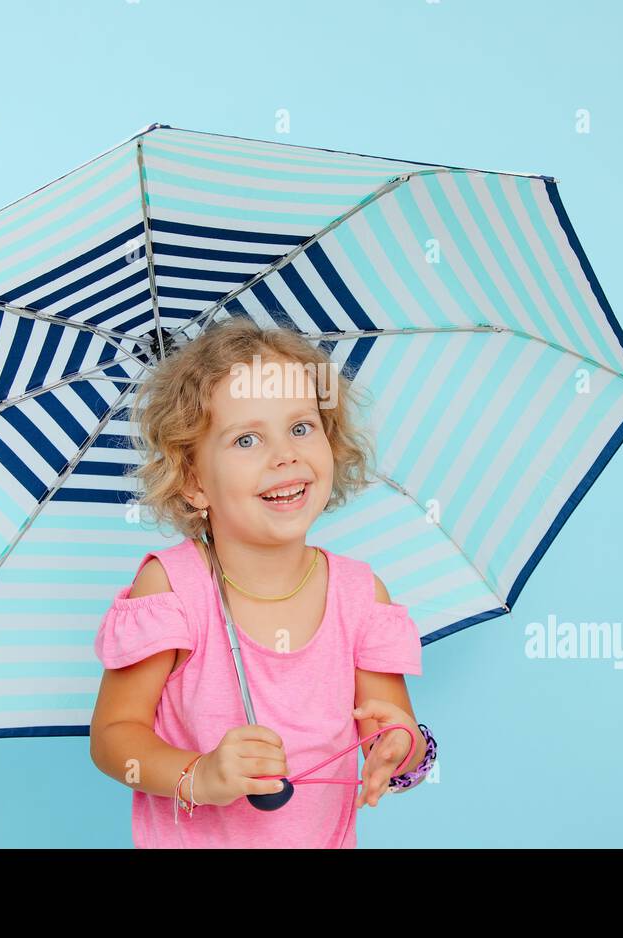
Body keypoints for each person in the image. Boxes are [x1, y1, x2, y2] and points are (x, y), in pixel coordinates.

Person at [89, 317, 434, 848]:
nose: (284, 455)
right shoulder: (171, 590)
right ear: (193, 481)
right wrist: (198, 775)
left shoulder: (360, 596)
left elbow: (393, 743)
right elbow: (113, 739)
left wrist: (403, 748)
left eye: (300, 428)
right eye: (247, 439)